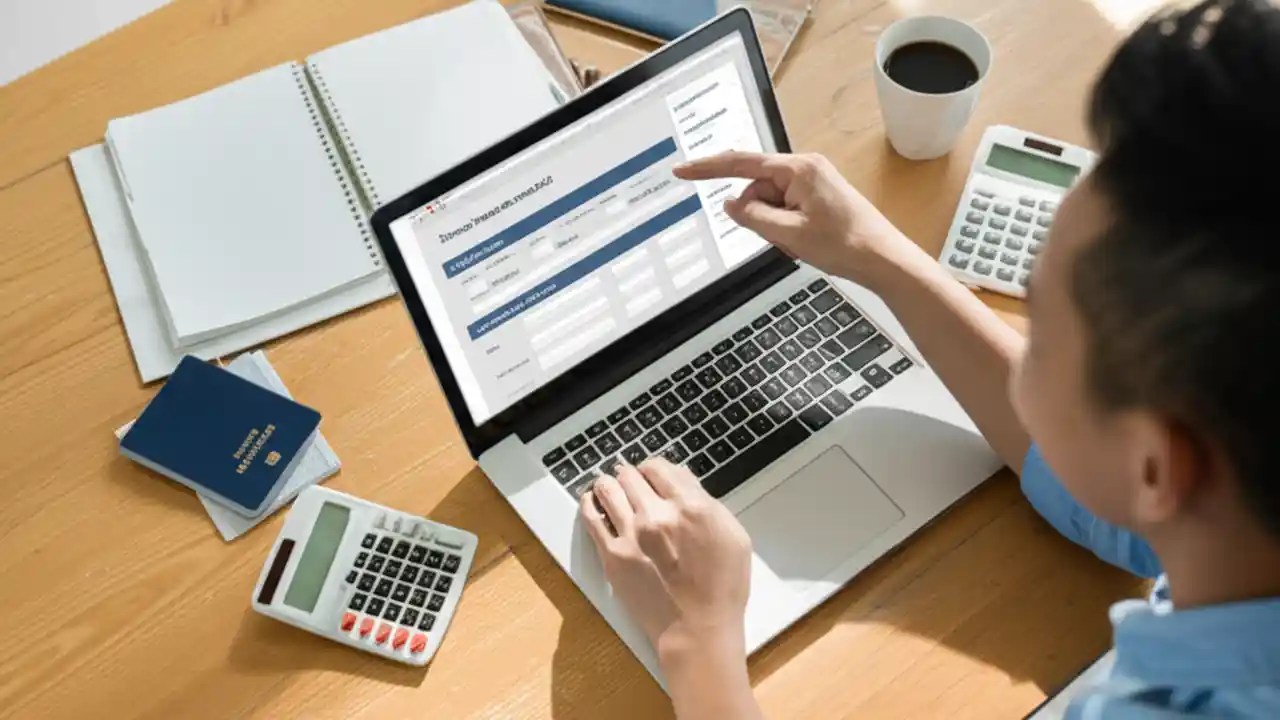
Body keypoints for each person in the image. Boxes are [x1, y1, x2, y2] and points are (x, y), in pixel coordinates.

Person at [577, 0, 1280, 717]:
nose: (1022, 338)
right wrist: (877, 253)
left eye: (1040, 320)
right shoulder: (1241, 517)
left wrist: (697, 645)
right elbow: (1109, 499)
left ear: (1156, 466)